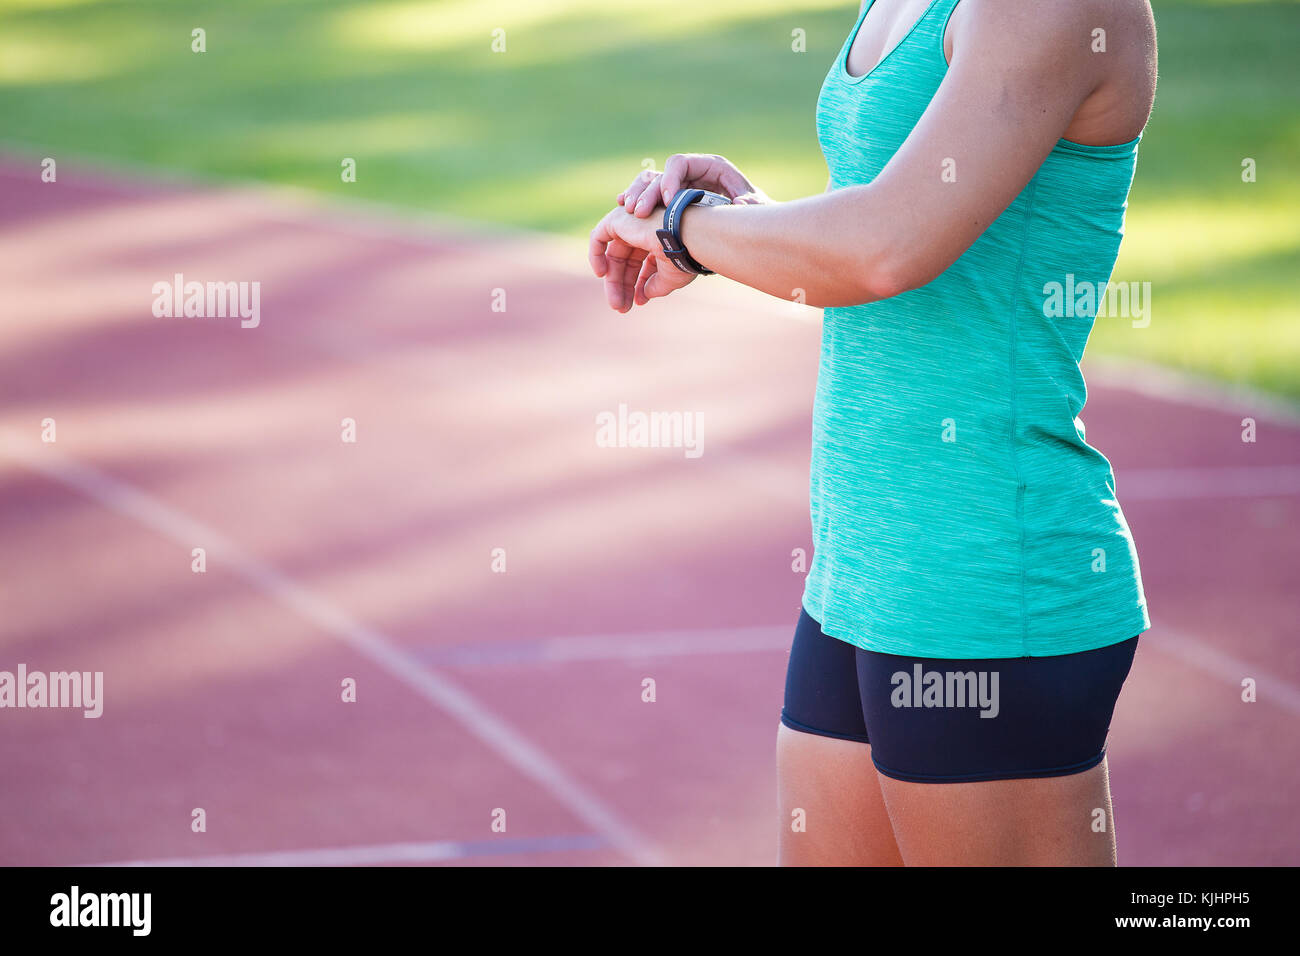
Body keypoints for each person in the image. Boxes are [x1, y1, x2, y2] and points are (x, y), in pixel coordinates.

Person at [588, 0, 1157, 865]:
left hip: (982, 580)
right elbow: (898, 227)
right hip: (861, 570)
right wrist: (745, 217)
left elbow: (886, 248)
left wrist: (691, 229)